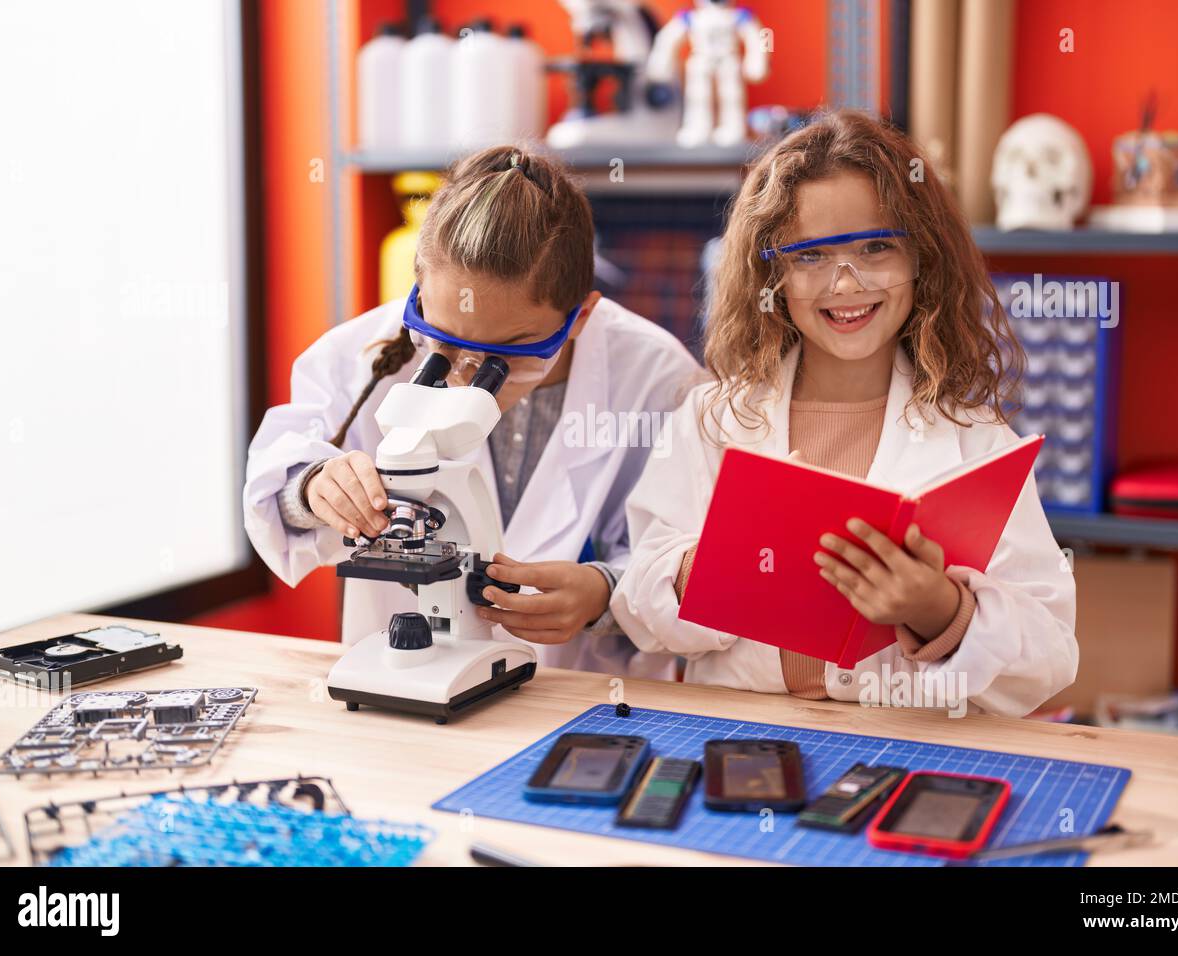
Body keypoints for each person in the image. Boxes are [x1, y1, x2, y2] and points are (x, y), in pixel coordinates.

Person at [611, 112, 1077, 717]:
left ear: (922, 260)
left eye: (876, 247)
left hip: (903, 750)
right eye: (811, 256)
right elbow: (637, 608)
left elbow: (1050, 658)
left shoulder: (975, 439)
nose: (847, 282)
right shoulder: (711, 419)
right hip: (745, 746)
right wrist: (713, 566)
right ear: (771, 273)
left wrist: (936, 607)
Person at [245, 146, 702, 679]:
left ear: (580, 317)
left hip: (584, 693)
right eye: (442, 342)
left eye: (505, 355)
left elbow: (693, 558)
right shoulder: (357, 354)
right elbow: (273, 491)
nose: (465, 374)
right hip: (407, 684)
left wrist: (605, 593)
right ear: (417, 287)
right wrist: (314, 488)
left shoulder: (658, 377)